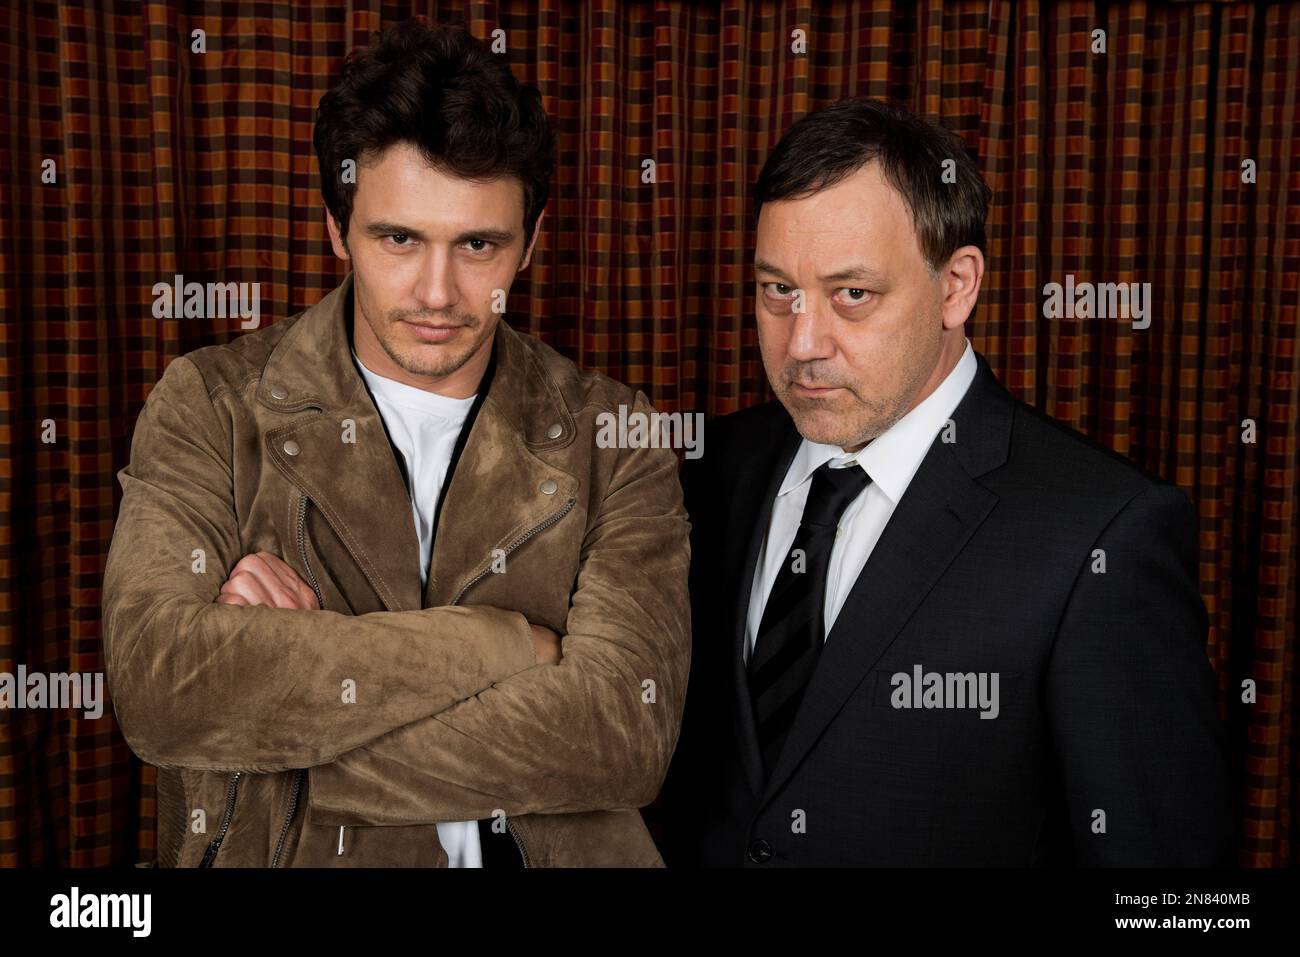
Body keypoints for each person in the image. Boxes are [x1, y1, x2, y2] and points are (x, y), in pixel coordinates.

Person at [101, 19, 689, 868]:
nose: (438, 292)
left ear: (531, 239)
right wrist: (503, 646)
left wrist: (295, 721)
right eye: (399, 239)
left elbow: (622, 732)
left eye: (478, 245)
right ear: (339, 229)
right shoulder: (213, 406)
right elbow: (164, 688)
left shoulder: (615, 436)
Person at [660, 97, 1234, 867]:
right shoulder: (710, 471)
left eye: (852, 295)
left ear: (957, 286)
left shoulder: (1104, 534)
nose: (802, 342)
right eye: (776, 290)